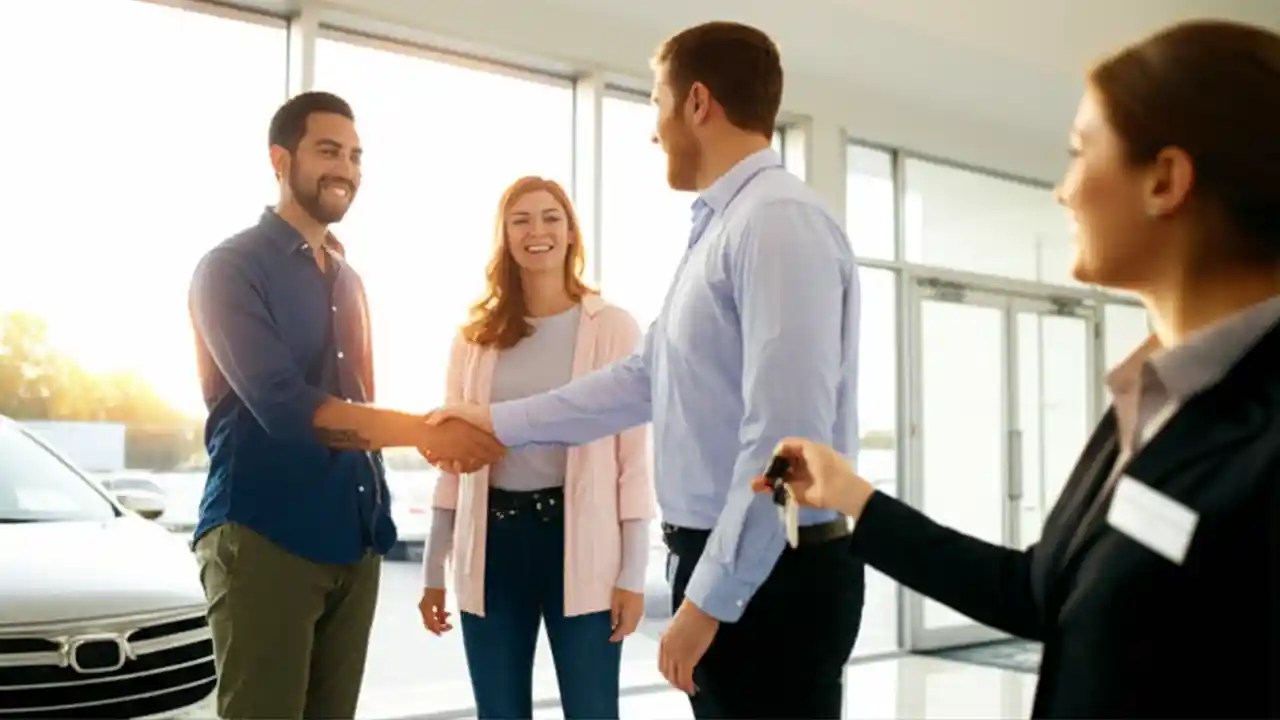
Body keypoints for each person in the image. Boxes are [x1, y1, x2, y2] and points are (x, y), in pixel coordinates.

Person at [752, 19, 1280, 720]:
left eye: (1077, 154)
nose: (1062, 192)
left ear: (1165, 179)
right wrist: (854, 498)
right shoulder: (1150, 397)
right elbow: (1041, 591)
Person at [428, 22, 864, 719]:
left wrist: (711, 598)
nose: (654, 130)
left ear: (697, 103)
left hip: (773, 578)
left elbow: (786, 443)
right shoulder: (722, 228)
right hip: (740, 566)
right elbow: (641, 380)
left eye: (657, 103)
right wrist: (493, 422)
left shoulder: (777, 222)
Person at [187, 91, 504, 720]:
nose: (348, 169)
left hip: (352, 539)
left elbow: (357, 402)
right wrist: (424, 432)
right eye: (328, 151)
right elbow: (284, 406)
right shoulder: (229, 268)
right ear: (280, 159)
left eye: (356, 156)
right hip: (264, 534)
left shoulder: (350, 281)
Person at [416, 176, 655, 719]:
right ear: (504, 236)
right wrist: (434, 569)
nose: (537, 230)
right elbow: (451, 461)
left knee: (593, 711)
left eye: (551, 217)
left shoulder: (613, 328)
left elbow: (632, 463)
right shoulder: (473, 339)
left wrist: (632, 576)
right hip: (493, 548)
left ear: (571, 232)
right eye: (520, 219)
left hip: (582, 547)